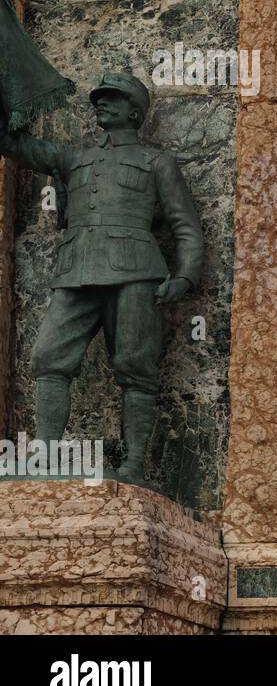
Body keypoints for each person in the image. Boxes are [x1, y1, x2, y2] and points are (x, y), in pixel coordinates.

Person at [0, 72, 204, 481]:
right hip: (77, 269)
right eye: (99, 99)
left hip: (136, 272)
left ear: (134, 111)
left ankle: (133, 466)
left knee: (135, 366)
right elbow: (18, 146)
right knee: (48, 357)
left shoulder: (156, 162)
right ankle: (47, 455)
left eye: (111, 98)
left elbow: (186, 225)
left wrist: (185, 276)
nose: (101, 104)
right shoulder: (75, 157)